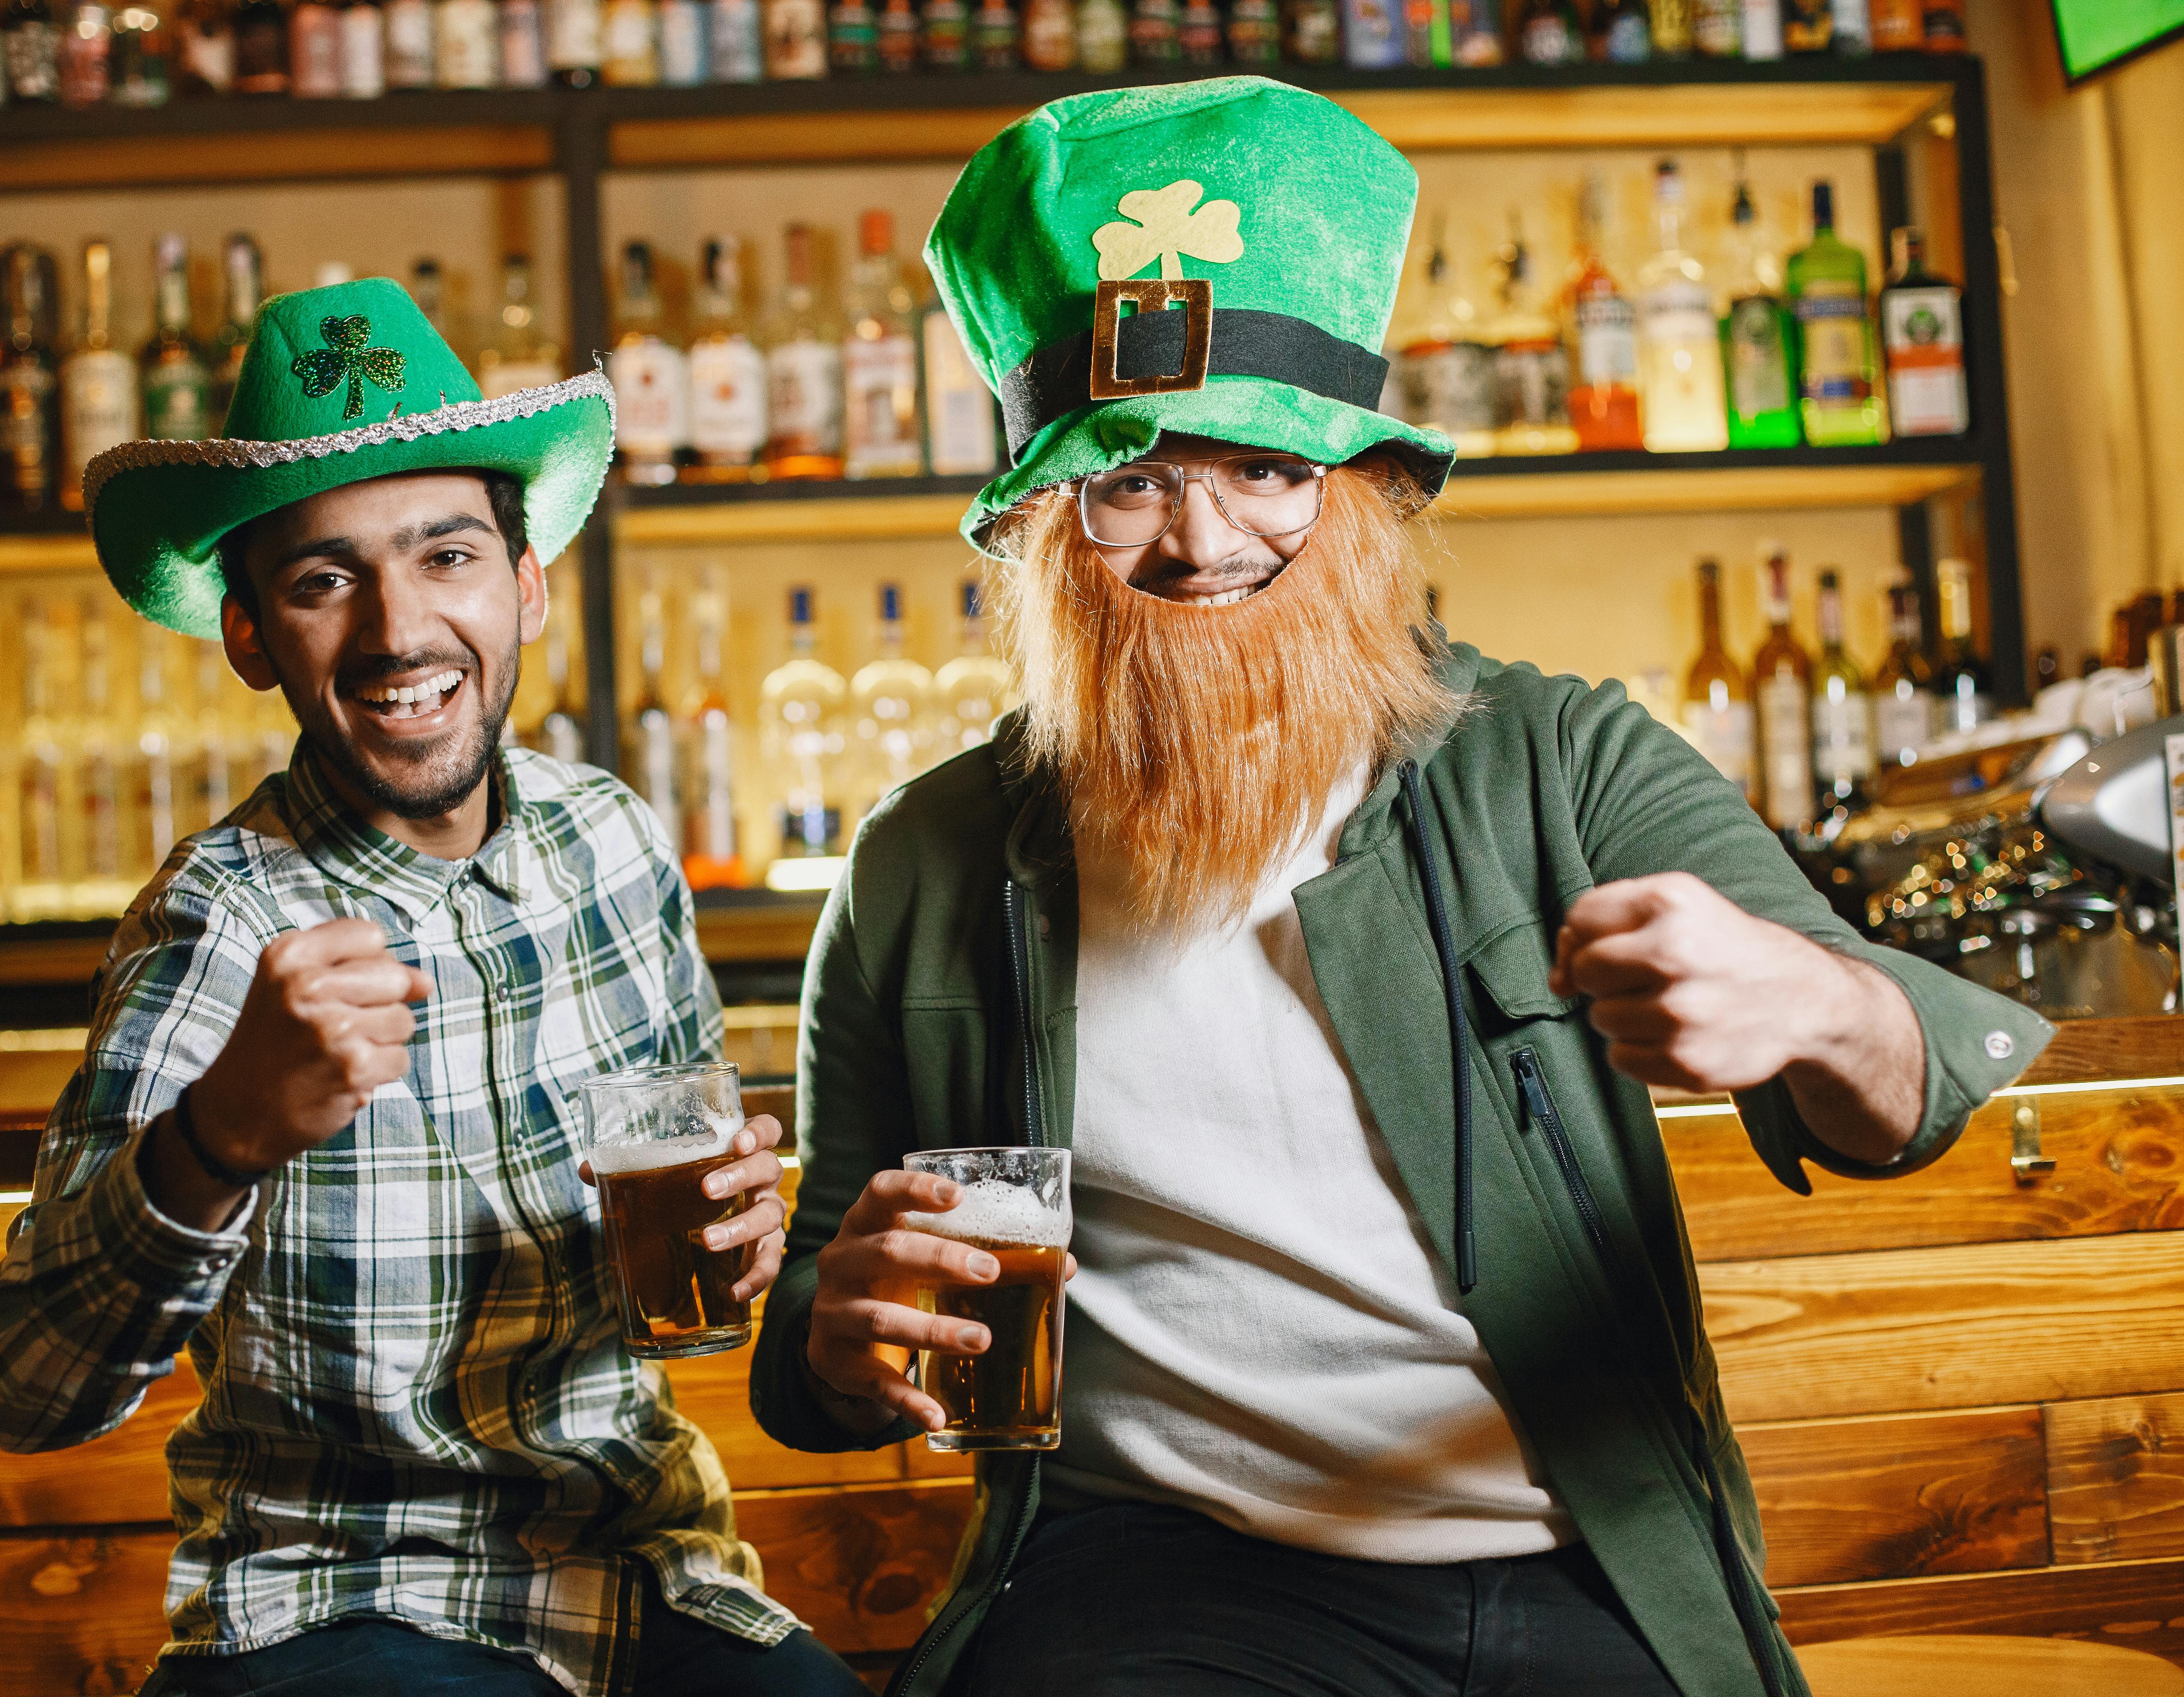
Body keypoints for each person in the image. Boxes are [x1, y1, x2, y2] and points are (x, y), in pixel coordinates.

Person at [748, 78, 2052, 1697]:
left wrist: (1811, 1000)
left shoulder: (1558, 759)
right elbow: (812, 1334)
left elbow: (1902, 1095)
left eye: (1267, 473)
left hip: (1578, 1548)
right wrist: (842, 1336)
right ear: (1041, 530)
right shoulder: (922, 863)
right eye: (1129, 480)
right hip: (1157, 1575)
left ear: (1362, 500)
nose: (1202, 542)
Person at [0, 278, 868, 1697]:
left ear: (530, 582)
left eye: (447, 556)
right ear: (253, 634)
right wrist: (222, 1138)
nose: (399, 631)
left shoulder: (615, 843)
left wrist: (723, 1251)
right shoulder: (219, 923)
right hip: (343, 1611)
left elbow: (679, 1294)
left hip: (646, 1576)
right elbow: (26, 1392)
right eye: (326, 580)